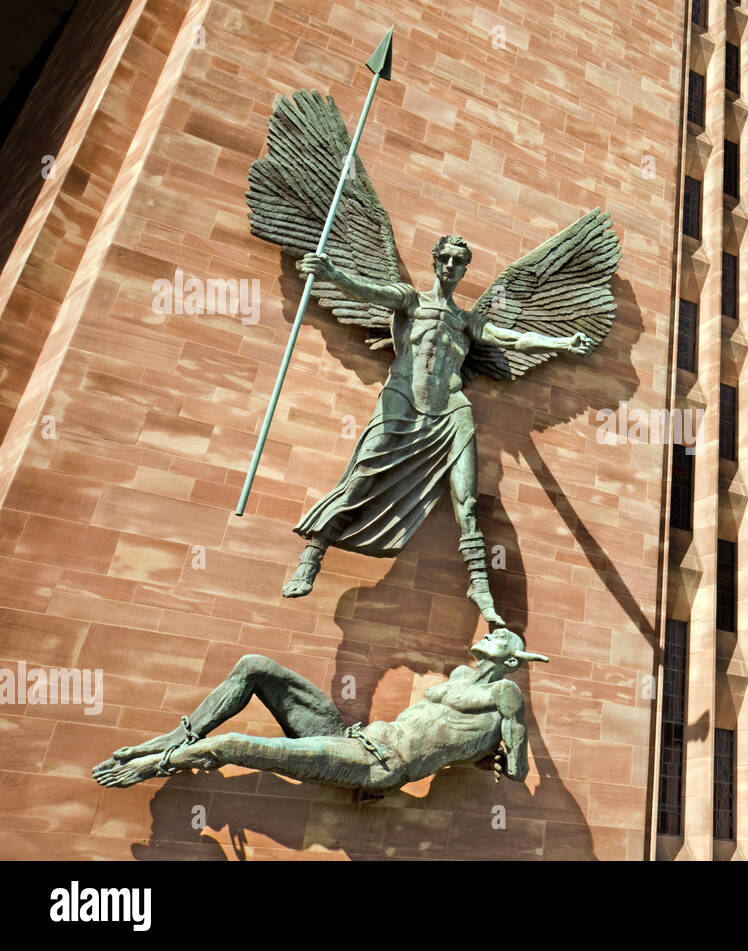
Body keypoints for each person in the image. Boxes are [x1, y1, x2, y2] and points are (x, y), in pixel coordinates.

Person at [281, 235, 595, 634]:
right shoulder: (410, 300)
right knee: (361, 475)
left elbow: (512, 338)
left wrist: (562, 342)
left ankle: (481, 589)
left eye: (458, 261)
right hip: (402, 398)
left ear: (465, 269)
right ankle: (312, 557)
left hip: (451, 409)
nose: (450, 265)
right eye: (444, 258)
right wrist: (331, 273)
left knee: (466, 502)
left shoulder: (467, 322)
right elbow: (366, 291)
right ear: (434, 262)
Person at [91, 628, 547, 792]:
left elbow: (518, 772)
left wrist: (502, 757)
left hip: (376, 764)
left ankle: (154, 766)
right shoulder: (462, 678)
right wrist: (472, 753)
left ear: (511, 663)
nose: (495, 632)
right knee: (255, 667)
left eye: (503, 638)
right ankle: (179, 738)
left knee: (232, 746)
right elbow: (452, 738)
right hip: (352, 736)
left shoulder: (506, 696)